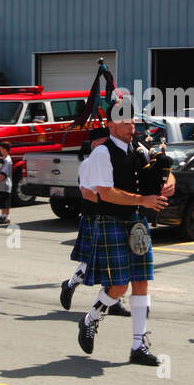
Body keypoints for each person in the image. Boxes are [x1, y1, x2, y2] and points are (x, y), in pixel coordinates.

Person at [75, 103, 175, 366]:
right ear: (111, 125)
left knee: (141, 280)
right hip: (112, 221)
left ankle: (138, 345)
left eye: (132, 121)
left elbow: (164, 169)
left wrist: (168, 183)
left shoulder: (139, 149)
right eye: (126, 122)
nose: (132, 126)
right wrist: (144, 199)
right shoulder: (102, 154)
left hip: (136, 222)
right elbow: (105, 193)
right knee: (119, 285)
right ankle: (91, 318)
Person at [58, 128, 124, 317]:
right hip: (95, 215)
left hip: (112, 214)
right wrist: (113, 203)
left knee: (112, 262)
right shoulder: (88, 164)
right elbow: (87, 193)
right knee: (94, 261)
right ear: (95, 144)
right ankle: (70, 284)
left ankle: (114, 301)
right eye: (105, 141)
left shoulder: (110, 161)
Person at [0, 141, 13, 225]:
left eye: (1, 148)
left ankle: (6, 216)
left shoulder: (7, 160)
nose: (0, 150)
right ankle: (3, 215)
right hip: (1, 184)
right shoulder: (3, 158)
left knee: (5, 200)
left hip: (5, 184)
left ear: (4, 149)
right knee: (1, 200)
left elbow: (4, 174)